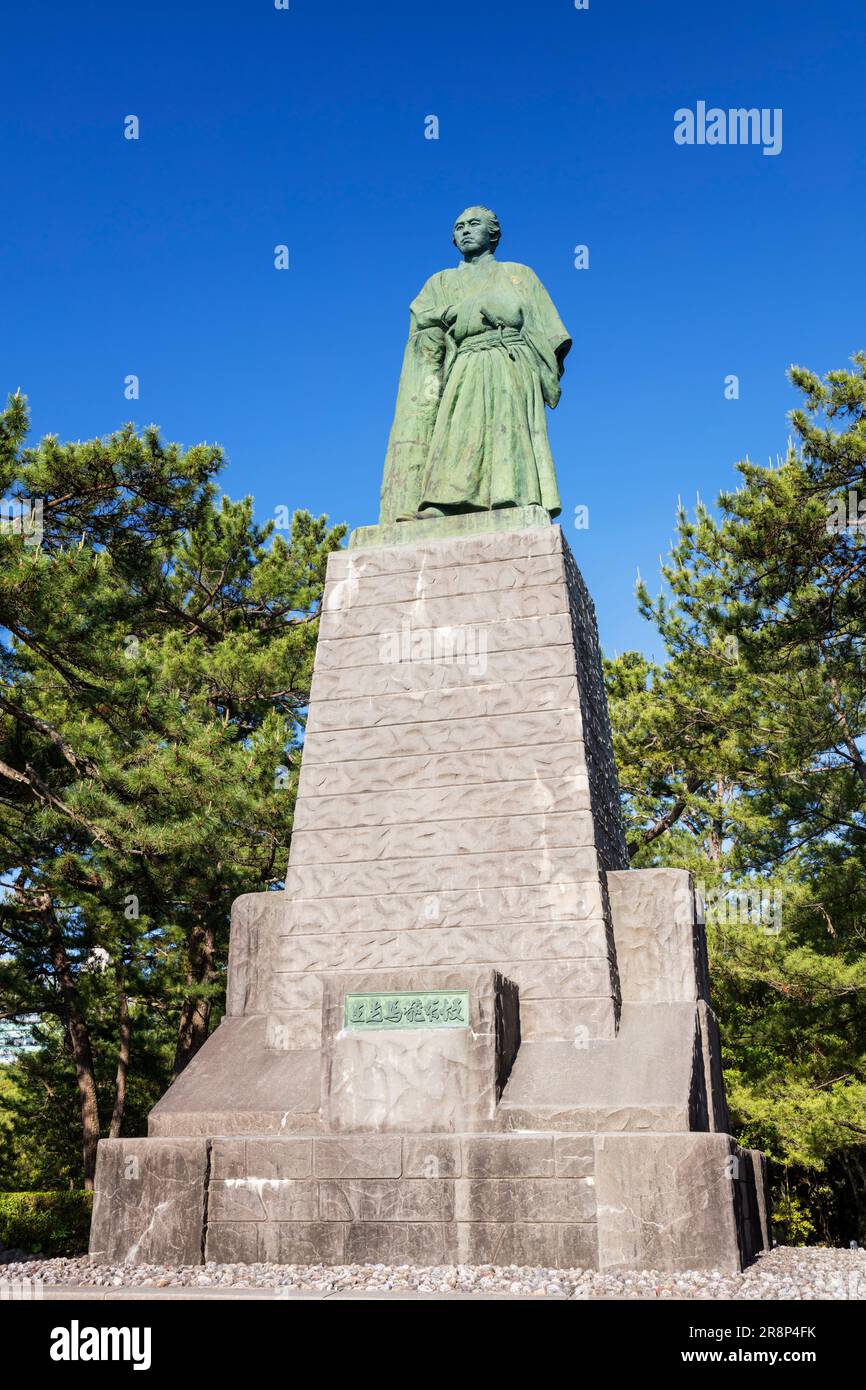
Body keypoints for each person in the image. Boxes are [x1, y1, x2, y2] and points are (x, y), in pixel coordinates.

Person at [380, 206, 571, 524]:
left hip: (508, 360)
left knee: (506, 429)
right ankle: (446, 500)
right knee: (456, 431)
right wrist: (453, 312)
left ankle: (512, 498)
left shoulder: (519, 274)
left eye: (473, 224)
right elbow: (419, 317)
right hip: (464, 360)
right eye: (458, 227)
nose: (465, 231)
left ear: (492, 233)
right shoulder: (441, 281)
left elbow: (552, 334)